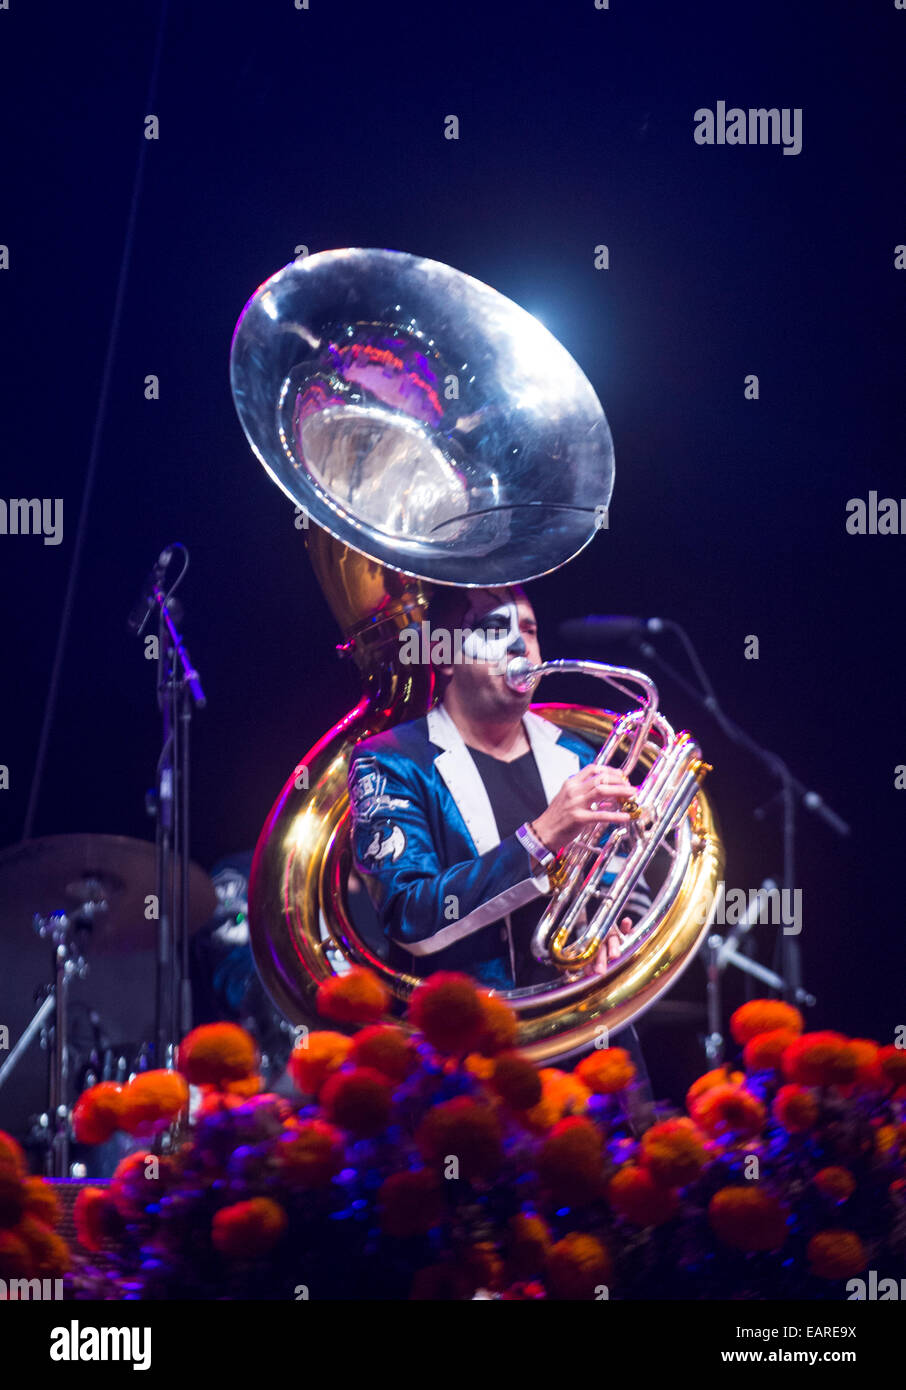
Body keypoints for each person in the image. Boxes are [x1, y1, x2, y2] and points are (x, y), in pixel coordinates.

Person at [348, 584, 656, 1108]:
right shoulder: (391, 762)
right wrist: (539, 839)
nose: (519, 645)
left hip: (593, 1055)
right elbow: (411, 917)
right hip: (471, 1069)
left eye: (530, 631)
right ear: (442, 657)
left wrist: (622, 935)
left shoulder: (583, 755)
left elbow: (630, 889)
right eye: (493, 629)